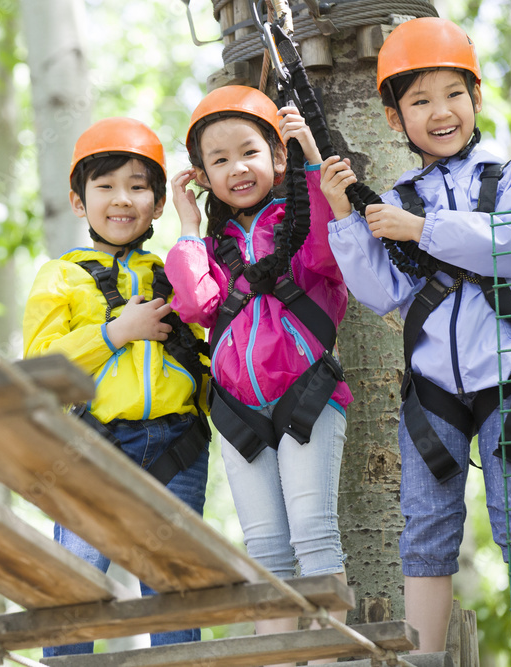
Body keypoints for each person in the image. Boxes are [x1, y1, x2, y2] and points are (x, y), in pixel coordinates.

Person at [320, 17, 511, 667]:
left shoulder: (509, 178)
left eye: (452, 93)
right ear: (396, 119)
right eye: (419, 100)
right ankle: (424, 658)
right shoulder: (398, 198)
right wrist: (348, 219)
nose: (439, 111)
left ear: (476, 100)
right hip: (433, 391)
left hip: (504, 373)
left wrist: (421, 229)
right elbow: (384, 291)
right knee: (424, 527)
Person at [166, 85, 352, 667]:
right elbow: (196, 306)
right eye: (218, 161)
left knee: (314, 535)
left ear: (275, 156)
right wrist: (190, 225)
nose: (235, 169)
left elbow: (330, 251)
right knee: (265, 550)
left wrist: (314, 161)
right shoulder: (215, 244)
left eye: (248, 152)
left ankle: (324, 659)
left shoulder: (298, 217)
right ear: (204, 176)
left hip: (307, 397)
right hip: (238, 411)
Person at [23, 117, 212, 657]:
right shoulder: (59, 276)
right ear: (79, 202)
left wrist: (190, 224)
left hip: (177, 443)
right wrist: (113, 333)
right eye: (105, 186)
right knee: (77, 582)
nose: (121, 199)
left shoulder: (175, 270)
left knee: (175, 586)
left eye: (137, 186)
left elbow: (209, 316)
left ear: (156, 203)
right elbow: (38, 365)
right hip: (90, 446)